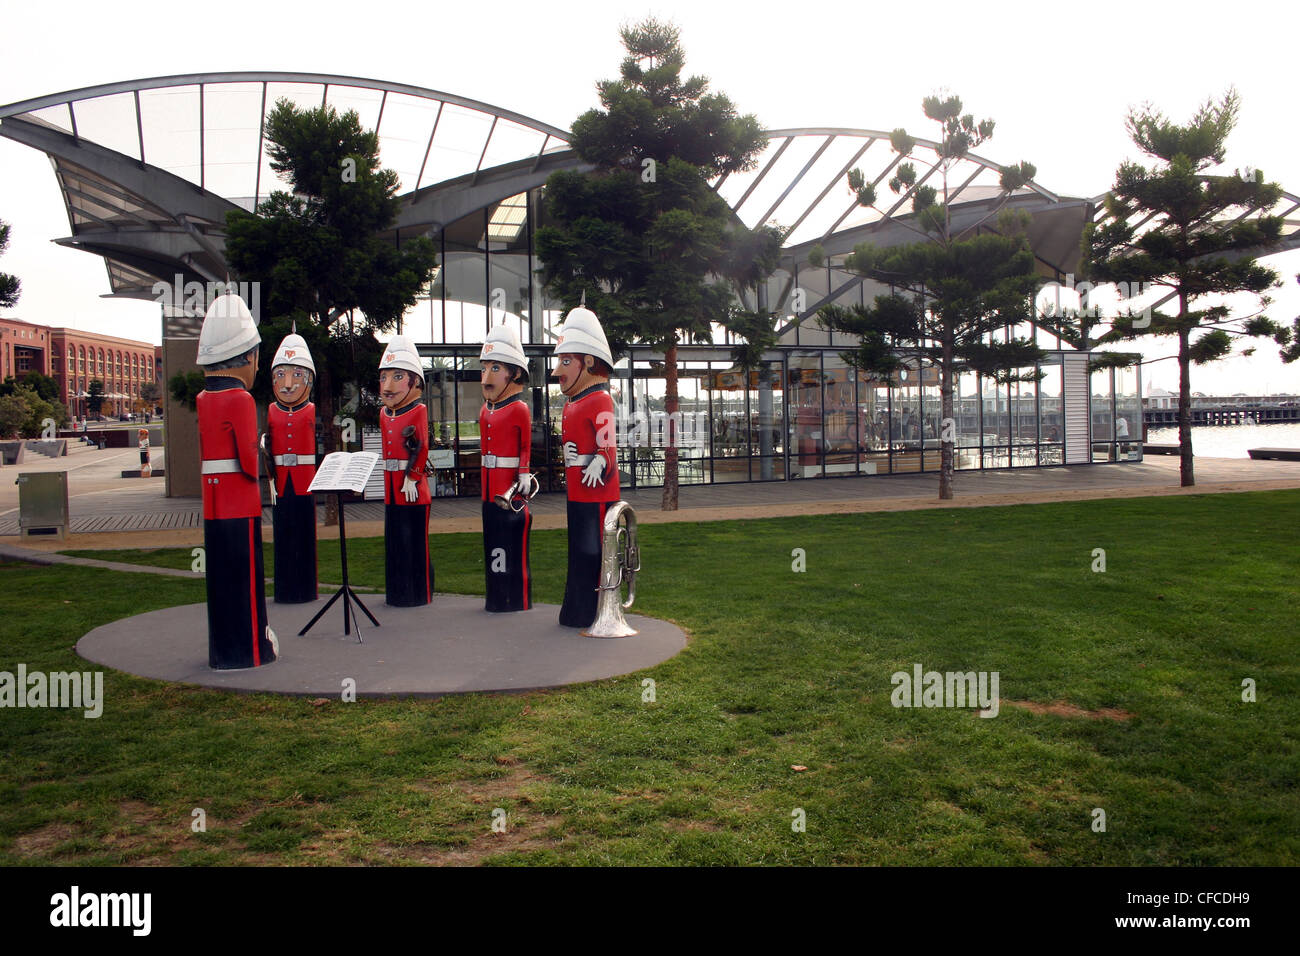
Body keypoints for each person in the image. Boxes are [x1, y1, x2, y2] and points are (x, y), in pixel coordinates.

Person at [195, 293, 277, 670]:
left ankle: (222, 648)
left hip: (212, 503)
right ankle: (251, 648)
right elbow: (247, 461)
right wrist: (260, 446)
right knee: (246, 574)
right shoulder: (240, 400)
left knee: (221, 579)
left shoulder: (203, 400)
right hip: (240, 503)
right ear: (247, 357)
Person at [552, 301, 619, 629]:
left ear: (588, 361)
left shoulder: (600, 399)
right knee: (579, 551)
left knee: (594, 551)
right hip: (578, 492)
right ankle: (578, 609)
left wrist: (599, 462)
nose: (557, 371)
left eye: (566, 361)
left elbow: (608, 445)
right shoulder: (573, 403)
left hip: (596, 494)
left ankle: (596, 608)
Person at [478, 323, 534, 612]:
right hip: (489, 490)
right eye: (484, 368)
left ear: (513, 372)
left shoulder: (519, 409)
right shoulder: (486, 409)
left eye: (495, 369)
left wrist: (523, 472)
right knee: (493, 544)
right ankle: (496, 596)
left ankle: (516, 598)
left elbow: (525, 445)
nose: (486, 377)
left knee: (510, 544)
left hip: (507, 487)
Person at [263, 331, 318, 605]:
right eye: (281, 375)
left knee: (304, 532)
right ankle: (285, 586)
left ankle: (305, 586)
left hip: (304, 478)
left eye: (296, 375)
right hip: (281, 479)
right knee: (283, 533)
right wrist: (271, 477)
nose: (287, 384)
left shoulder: (310, 410)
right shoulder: (272, 411)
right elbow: (268, 446)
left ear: (309, 378)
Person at [378, 336, 432, 607]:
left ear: (414, 382)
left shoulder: (418, 411)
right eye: (384, 377)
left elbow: (421, 446)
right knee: (395, 541)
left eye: (397, 377)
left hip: (409, 486)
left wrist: (412, 476)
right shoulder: (384, 414)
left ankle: (417, 592)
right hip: (391, 486)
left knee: (414, 541)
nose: (388, 386)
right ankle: (397, 590)